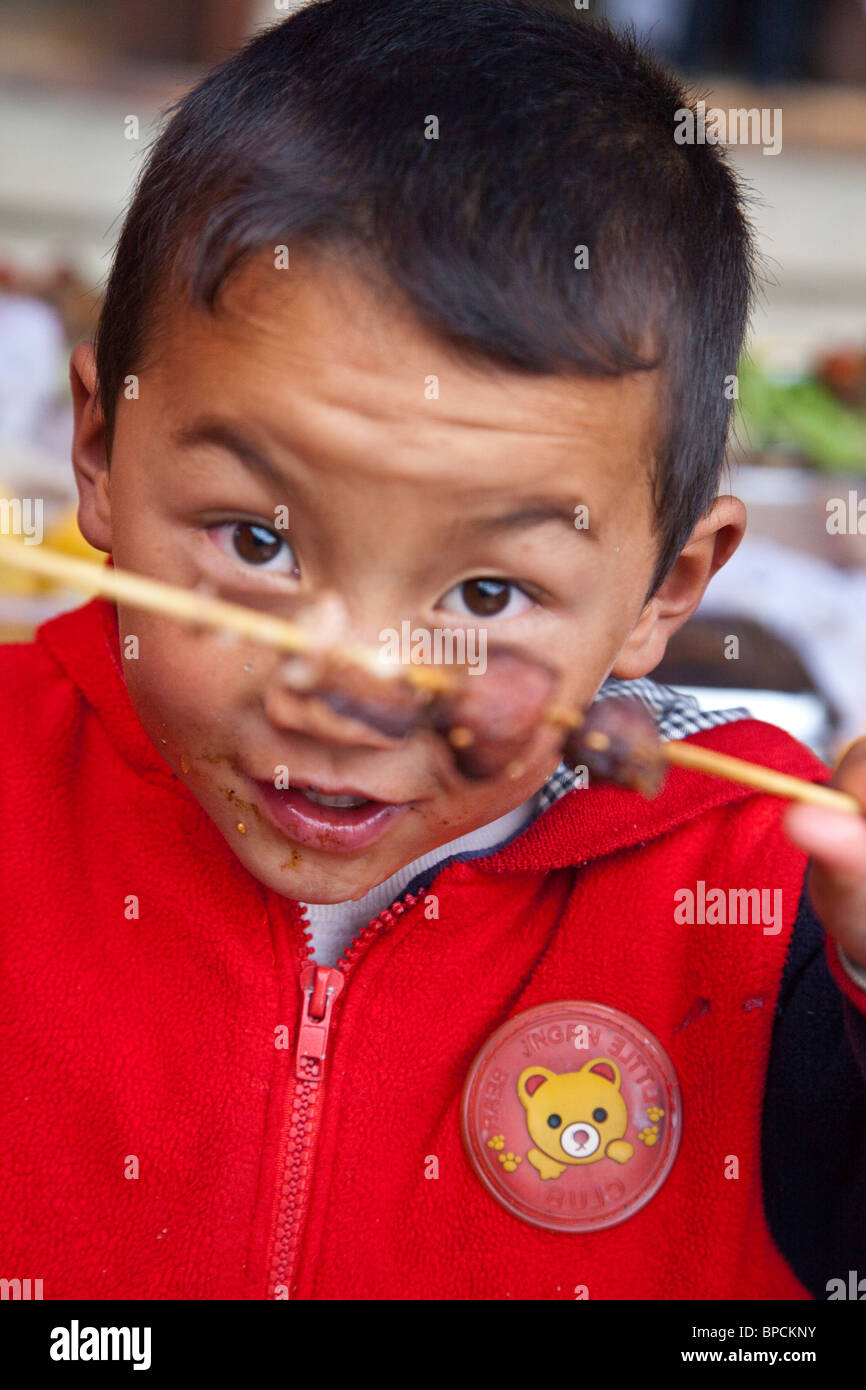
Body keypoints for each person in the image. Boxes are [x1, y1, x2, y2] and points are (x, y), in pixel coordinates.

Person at [1, 0, 864, 1301]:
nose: (348, 684)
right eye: (254, 538)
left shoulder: (764, 912)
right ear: (101, 455)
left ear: (663, 586)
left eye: (483, 586)